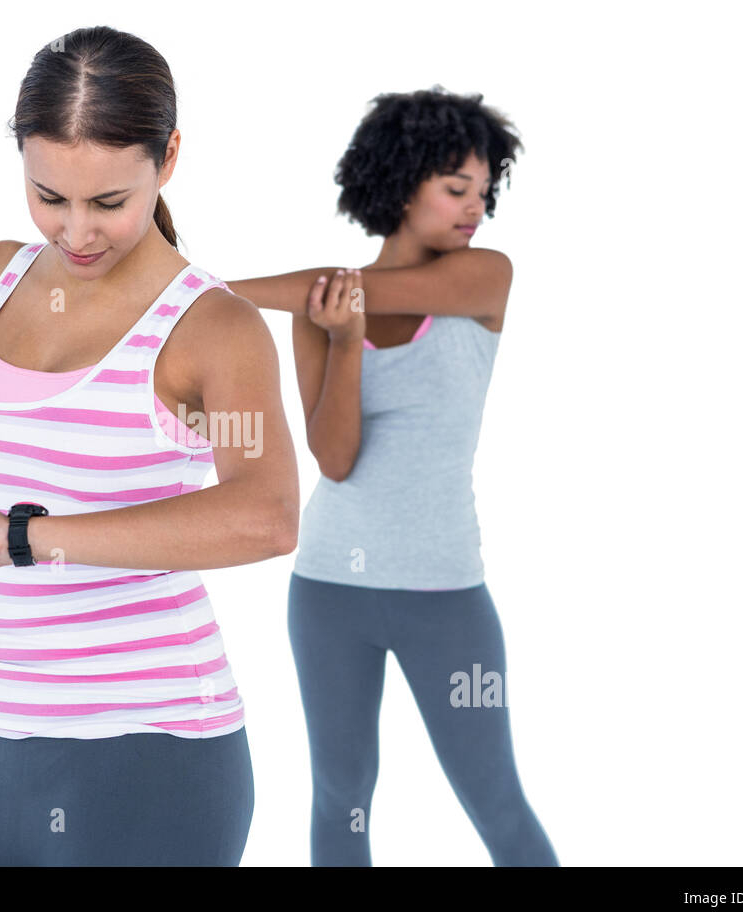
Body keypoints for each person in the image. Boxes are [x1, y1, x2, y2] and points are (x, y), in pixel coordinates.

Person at [0, 25, 299, 866]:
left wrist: (24, 537)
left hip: (155, 751)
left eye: (109, 202)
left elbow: (268, 516)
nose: (77, 232)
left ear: (168, 157)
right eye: (48, 195)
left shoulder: (212, 327)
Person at [226, 86, 559, 866]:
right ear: (401, 182)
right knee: (342, 799)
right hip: (328, 591)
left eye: (484, 190)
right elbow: (336, 461)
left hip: (447, 597)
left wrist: (207, 294)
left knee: (496, 799)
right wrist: (341, 343)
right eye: (455, 188)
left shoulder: (484, 279)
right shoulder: (323, 314)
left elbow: (348, 285)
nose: (475, 207)